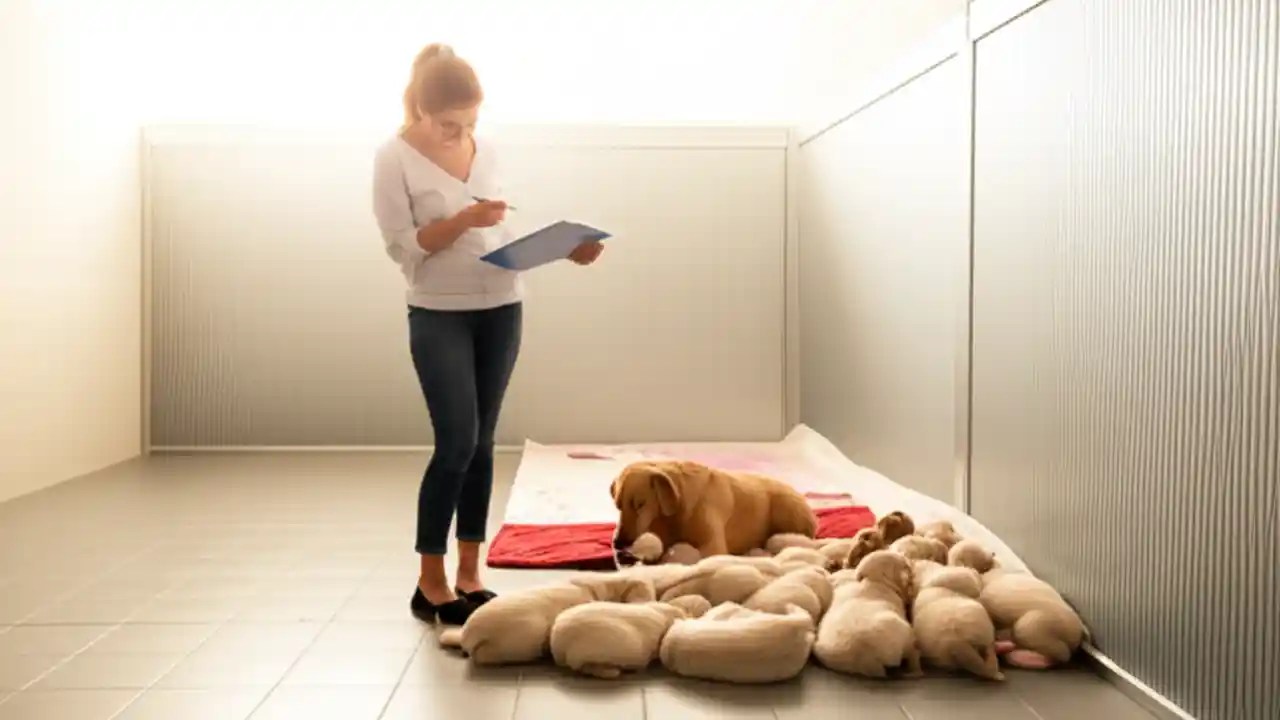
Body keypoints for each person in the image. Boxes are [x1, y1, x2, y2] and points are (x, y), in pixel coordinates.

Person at [371, 43, 604, 625]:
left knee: (482, 444)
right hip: (438, 309)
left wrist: (565, 250)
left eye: (470, 124)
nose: (461, 135)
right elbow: (403, 247)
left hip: (501, 305)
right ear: (421, 110)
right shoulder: (393, 157)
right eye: (449, 125)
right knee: (455, 442)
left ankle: (470, 575)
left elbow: (501, 233)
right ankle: (430, 581)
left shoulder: (488, 150)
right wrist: (460, 221)